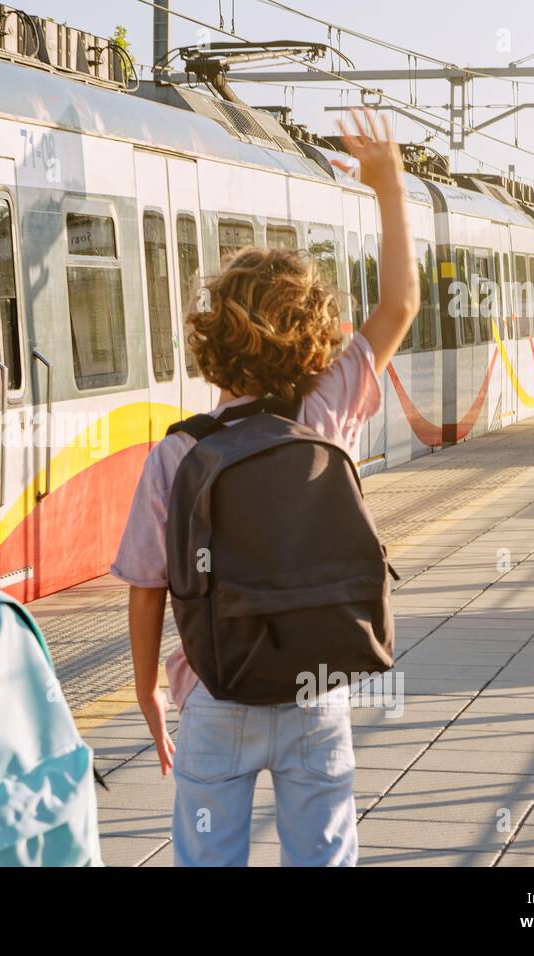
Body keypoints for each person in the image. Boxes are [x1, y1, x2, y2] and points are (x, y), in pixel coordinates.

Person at [111, 109, 420, 867]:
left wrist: (150, 690)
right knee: (322, 854)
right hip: (317, 685)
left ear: (212, 343)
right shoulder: (328, 410)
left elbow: (148, 585)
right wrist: (389, 187)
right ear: (318, 337)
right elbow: (400, 305)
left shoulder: (181, 450)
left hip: (215, 692)